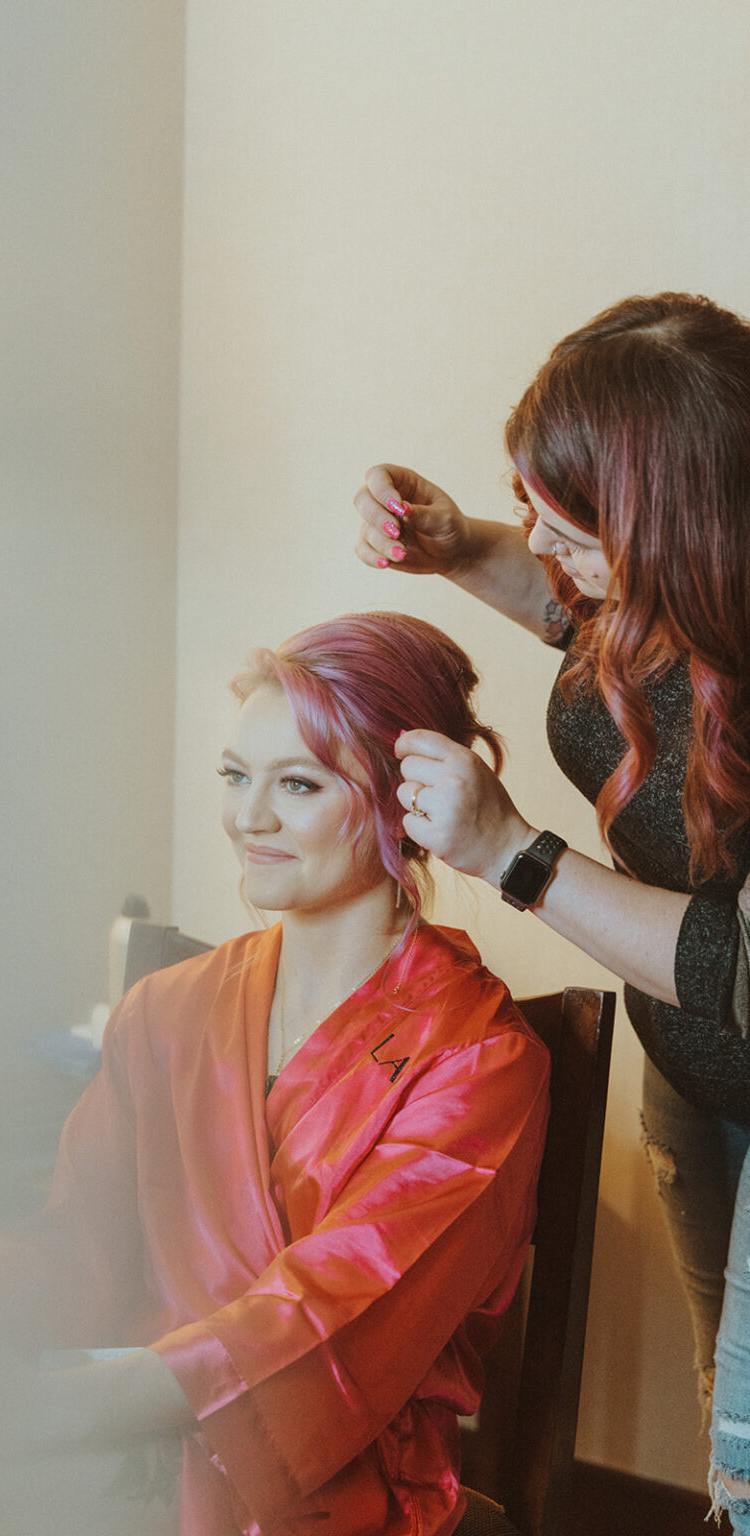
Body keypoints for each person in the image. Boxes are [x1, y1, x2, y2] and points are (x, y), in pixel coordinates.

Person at [0, 611, 549, 1536]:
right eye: (236, 777)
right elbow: (74, 1240)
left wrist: (68, 1410)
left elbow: (335, 1310)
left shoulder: (478, 1058)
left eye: (297, 784)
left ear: (403, 800)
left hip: (342, 1491)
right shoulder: (167, 1011)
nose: (249, 818)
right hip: (135, 1459)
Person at [352, 291, 750, 1531]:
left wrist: (512, 857)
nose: (540, 539)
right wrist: (458, 541)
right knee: (723, 1412)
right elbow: (588, 618)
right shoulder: (668, 590)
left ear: (672, 521)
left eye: (562, 521)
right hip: (696, 1080)